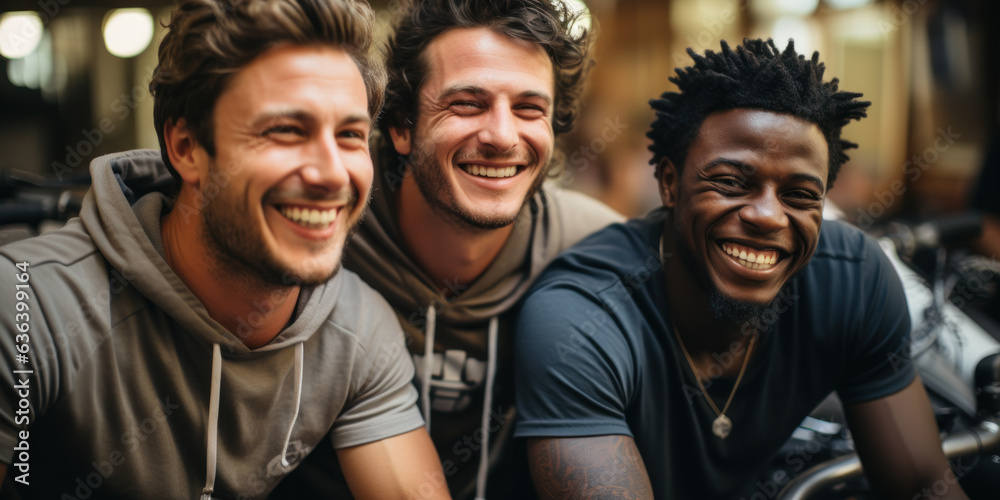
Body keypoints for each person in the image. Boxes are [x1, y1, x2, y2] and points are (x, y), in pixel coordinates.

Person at [0, 0, 449, 498]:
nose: (330, 173)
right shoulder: (24, 305)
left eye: (349, 135)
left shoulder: (359, 327)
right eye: (285, 131)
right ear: (187, 147)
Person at [513, 39, 970, 499]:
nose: (768, 217)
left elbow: (920, 486)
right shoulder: (580, 319)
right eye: (732, 182)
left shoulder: (853, 279)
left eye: (799, 195)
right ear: (670, 184)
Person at [272, 0, 622, 498]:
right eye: (467, 104)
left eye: (529, 108)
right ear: (399, 126)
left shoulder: (597, 253)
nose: (503, 136)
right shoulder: (319, 230)